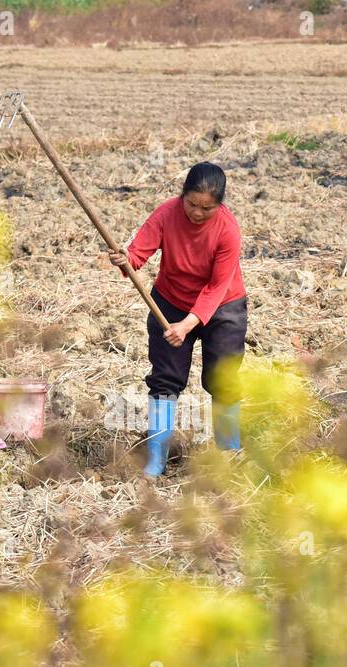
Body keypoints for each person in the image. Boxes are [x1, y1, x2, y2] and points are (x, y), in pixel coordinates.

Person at [107, 162, 248, 478]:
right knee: (165, 380)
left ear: (219, 205)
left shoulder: (227, 230)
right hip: (170, 301)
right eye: (192, 204)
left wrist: (187, 325)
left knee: (221, 379)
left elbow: (216, 287)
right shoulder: (166, 215)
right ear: (182, 196)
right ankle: (156, 461)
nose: (197, 213)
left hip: (223, 306)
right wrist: (125, 259)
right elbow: (137, 254)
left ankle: (230, 453)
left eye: (207, 209)